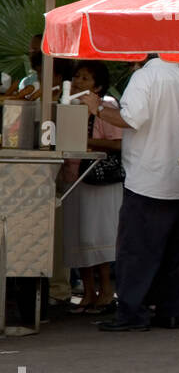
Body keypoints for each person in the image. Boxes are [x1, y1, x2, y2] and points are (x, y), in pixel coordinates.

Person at [81, 55, 179, 332]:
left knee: (137, 250)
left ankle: (132, 313)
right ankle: (170, 312)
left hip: (148, 177)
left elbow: (131, 118)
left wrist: (97, 108)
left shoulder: (145, 77)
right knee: (176, 253)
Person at [61, 62, 122, 315]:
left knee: (100, 237)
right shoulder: (66, 106)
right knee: (79, 236)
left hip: (100, 181)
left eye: (85, 78)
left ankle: (107, 292)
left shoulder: (106, 108)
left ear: (97, 85)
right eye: (76, 76)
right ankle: (87, 292)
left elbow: (119, 143)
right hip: (73, 178)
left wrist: (85, 141)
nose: (78, 81)